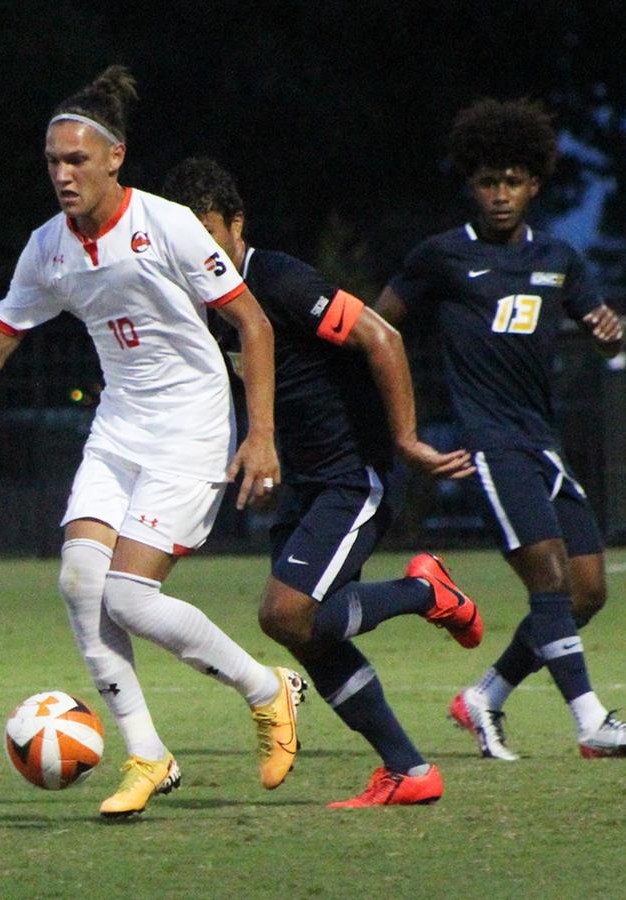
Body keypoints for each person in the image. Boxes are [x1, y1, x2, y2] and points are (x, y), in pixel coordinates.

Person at [0, 66, 304, 819]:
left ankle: (267, 691)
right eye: (51, 163)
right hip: (119, 426)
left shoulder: (166, 224)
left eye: (75, 161)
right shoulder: (47, 249)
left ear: (114, 158)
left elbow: (253, 324)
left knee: (130, 596)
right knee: (79, 581)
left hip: (192, 425)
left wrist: (261, 436)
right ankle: (146, 754)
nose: (62, 175)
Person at [162, 156, 483, 806]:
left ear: (237, 224)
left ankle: (424, 590)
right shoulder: (202, 306)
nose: (202, 253)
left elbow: (381, 336)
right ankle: (409, 771)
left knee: (286, 611)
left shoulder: (276, 279)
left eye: (210, 235)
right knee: (295, 629)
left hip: (352, 472)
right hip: (308, 480)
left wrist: (404, 439)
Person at [374, 98, 626, 759]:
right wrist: (397, 421)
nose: (500, 195)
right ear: (470, 184)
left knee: (587, 592)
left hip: (545, 446)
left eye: (513, 181)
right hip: (489, 444)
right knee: (550, 580)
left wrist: (603, 331)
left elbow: (597, 325)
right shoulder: (441, 257)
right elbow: (376, 328)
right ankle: (590, 722)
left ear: (535, 183)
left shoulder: (559, 259)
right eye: (487, 181)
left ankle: (485, 697)